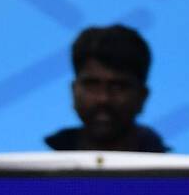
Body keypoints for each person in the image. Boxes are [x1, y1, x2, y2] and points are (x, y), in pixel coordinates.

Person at [45, 24, 171, 153]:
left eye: (118, 86)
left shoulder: (175, 172)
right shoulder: (38, 171)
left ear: (142, 96)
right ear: (73, 91)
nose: (103, 98)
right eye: (92, 85)